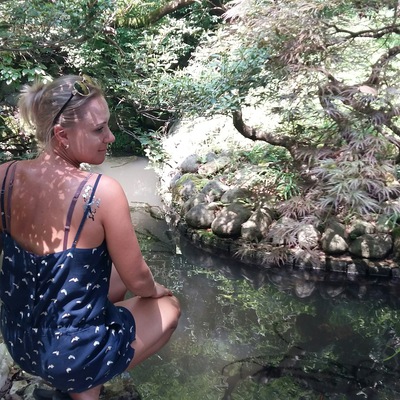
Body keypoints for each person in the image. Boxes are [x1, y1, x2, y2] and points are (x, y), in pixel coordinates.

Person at [0, 75, 181, 400]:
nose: (110, 137)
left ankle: (77, 369)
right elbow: (138, 279)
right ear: (62, 135)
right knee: (169, 307)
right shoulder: (102, 192)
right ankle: (85, 383)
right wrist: (155, 290)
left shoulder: (5, 175)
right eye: (99, 129)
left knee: (112, 274)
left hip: (19, 340)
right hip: (67, 357)